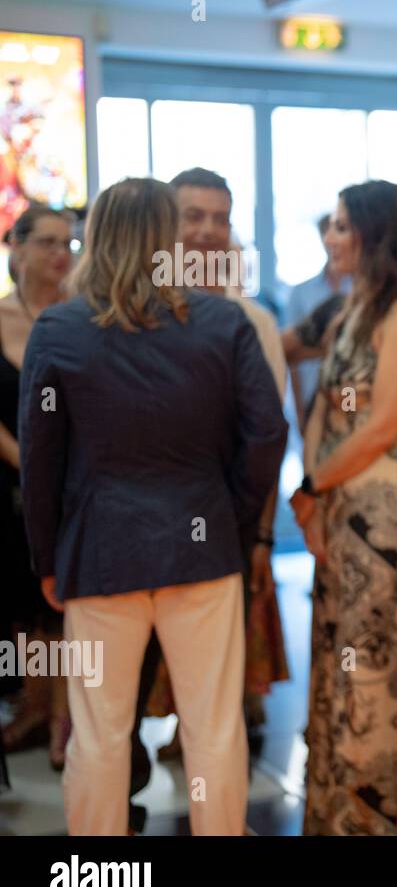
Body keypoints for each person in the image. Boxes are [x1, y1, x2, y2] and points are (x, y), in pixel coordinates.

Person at [19, 177, 287, 835]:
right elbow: (267, 432)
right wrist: (232, 515)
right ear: (168, 236)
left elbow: (40, 458)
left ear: (96, 237)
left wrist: (47, 557)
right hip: (202, 547)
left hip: (98, 552)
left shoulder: (59, 327)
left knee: (98, 734)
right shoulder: (223, 322)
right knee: (213, 729)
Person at [288, 179, 397, 835]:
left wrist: (311, 489)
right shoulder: (350, 307)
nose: (331, 238)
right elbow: (325, 407)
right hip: (341, 501)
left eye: (342, 226)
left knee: (376, 661)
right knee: (344, 657)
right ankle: (344, 815)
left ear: (376, 234)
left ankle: (383, 817)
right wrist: (313, 496)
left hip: (385, 510)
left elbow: (382, 426)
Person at [141, 168, 289, 767]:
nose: (207, 231)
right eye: (193, 216)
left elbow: (269, 435)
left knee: (221, 681)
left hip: (228, 519)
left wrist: (261, 533)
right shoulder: (137, 312)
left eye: (220, 219)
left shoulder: (254, 323)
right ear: (164, 226)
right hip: (144, 522)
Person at [0, 205, 72, 771]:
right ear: (17, 248)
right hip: (11, 481)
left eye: (68, 245)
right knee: (23, 603)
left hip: (72, 483)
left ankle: (65, 721)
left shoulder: (79, 316)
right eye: (48, 242)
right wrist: (26, 462)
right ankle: (33, 705)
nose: (59, 255)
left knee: (65, 604)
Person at [283, 213, 351, 432]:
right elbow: (287, 353)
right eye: (327, 232)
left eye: (340, 230)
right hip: (318, 398)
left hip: (351, 405)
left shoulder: (366, 297)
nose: (329, 240)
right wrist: (300, 412)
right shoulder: (303, 293)